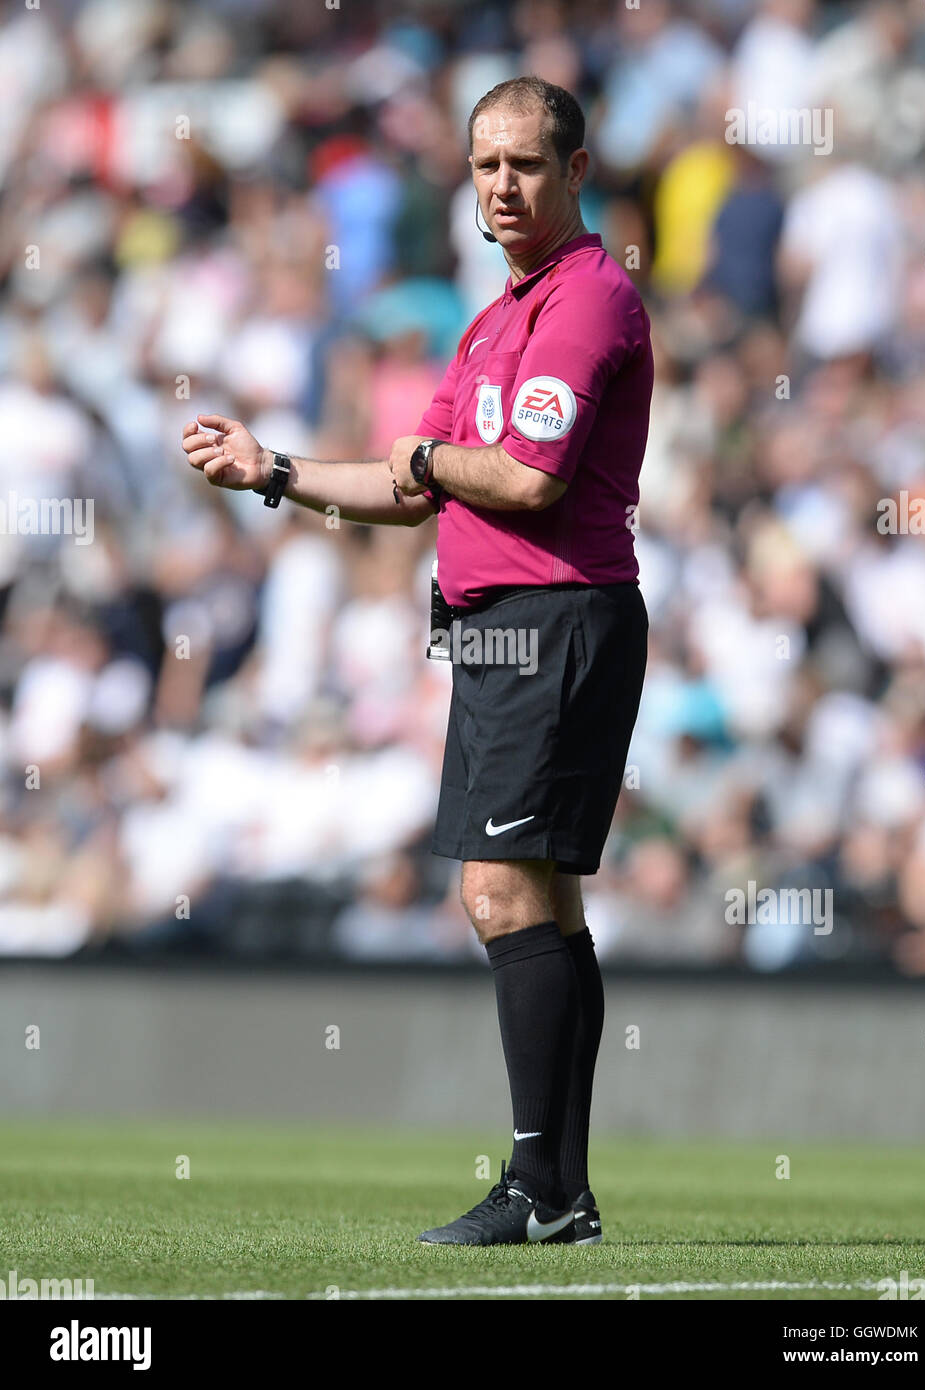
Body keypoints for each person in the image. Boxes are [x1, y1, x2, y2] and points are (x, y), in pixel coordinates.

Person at [181, 76, 653, 1247]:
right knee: (538, 898)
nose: (501, 185)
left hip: (554, 617)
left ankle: (539, 1186)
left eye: (526, 164)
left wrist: (435, 455)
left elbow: (525, 478)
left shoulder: (586, 301)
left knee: (496, 892)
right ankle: (561, 1192)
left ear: (574, 171)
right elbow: (406, 483)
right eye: (485, 164)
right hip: (511, 626)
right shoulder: (495, 318)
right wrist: (275, 470)